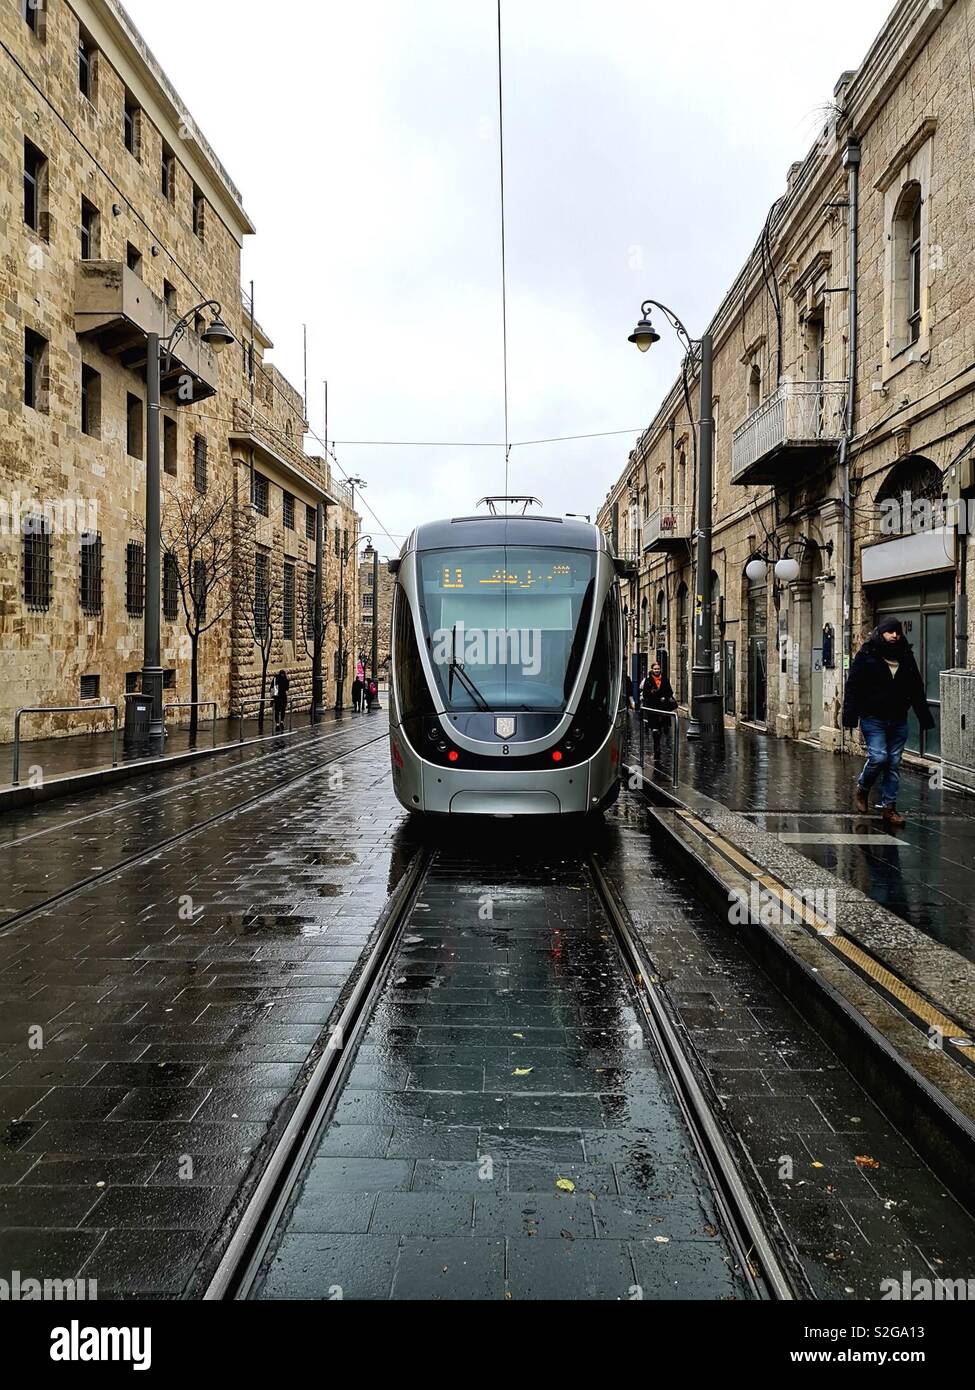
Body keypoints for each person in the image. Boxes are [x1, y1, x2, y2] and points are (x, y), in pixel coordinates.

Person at [842, 617, 933, 827]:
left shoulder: (905, 656)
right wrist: (849, 717)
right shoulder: (867, 654)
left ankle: (889, 808)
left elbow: (916, 687)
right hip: (873, 718)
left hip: (898, 719)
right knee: (879, 757)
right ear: (881, 633)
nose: (894, 635)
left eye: (897, 632)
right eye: (890, 631)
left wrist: (924, 718)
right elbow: (853, 686)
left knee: (893, 763)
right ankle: (863, 789)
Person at [640, 661, 678, 757]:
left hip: (663, 707)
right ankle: (657, 748)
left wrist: (665, 697)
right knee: (655, 729)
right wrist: (652, 694)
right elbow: (645, 694)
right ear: (652, 670)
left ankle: (665, 746)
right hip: (653, 708)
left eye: (658, 669)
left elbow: (669, 691)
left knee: (664, 728)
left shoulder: (665, 680)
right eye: (655, 669)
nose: (657, 670)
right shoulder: (648, 681)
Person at [270, 669, 290, 733]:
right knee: (283, 709)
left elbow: (272, 688)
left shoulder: (275, 679)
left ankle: (277, 723)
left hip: (276, 696)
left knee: (277, 710)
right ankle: (281, 721)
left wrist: (272, 697)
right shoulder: (285, 679)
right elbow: (287, 688)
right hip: (283, 696)